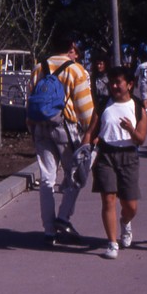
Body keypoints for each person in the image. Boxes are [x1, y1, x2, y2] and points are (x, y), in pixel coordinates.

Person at [26, 35, 95, 246]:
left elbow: (29, 99)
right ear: (72, 45)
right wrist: (90, 132)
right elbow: (85, 108)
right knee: (76, 174)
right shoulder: (76, 70)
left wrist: (31, 127)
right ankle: (63, 217)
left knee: (47, 178)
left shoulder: (39, 67)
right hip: (66, 128)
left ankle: (48, 230)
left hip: (40, 127)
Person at [83, 66, 147, 259]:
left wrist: (130, 129)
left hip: (128, 157)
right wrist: (84, 151)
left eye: (118, 82)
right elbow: (90, 131)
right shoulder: (103, 105)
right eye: (111, 82)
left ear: (129, 84)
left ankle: (125, 222)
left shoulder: (137, 108)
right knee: (108, 199)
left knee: (131, 206)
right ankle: (112, 243)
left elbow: (141, 139)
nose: (113, 86)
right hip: (106, 156)